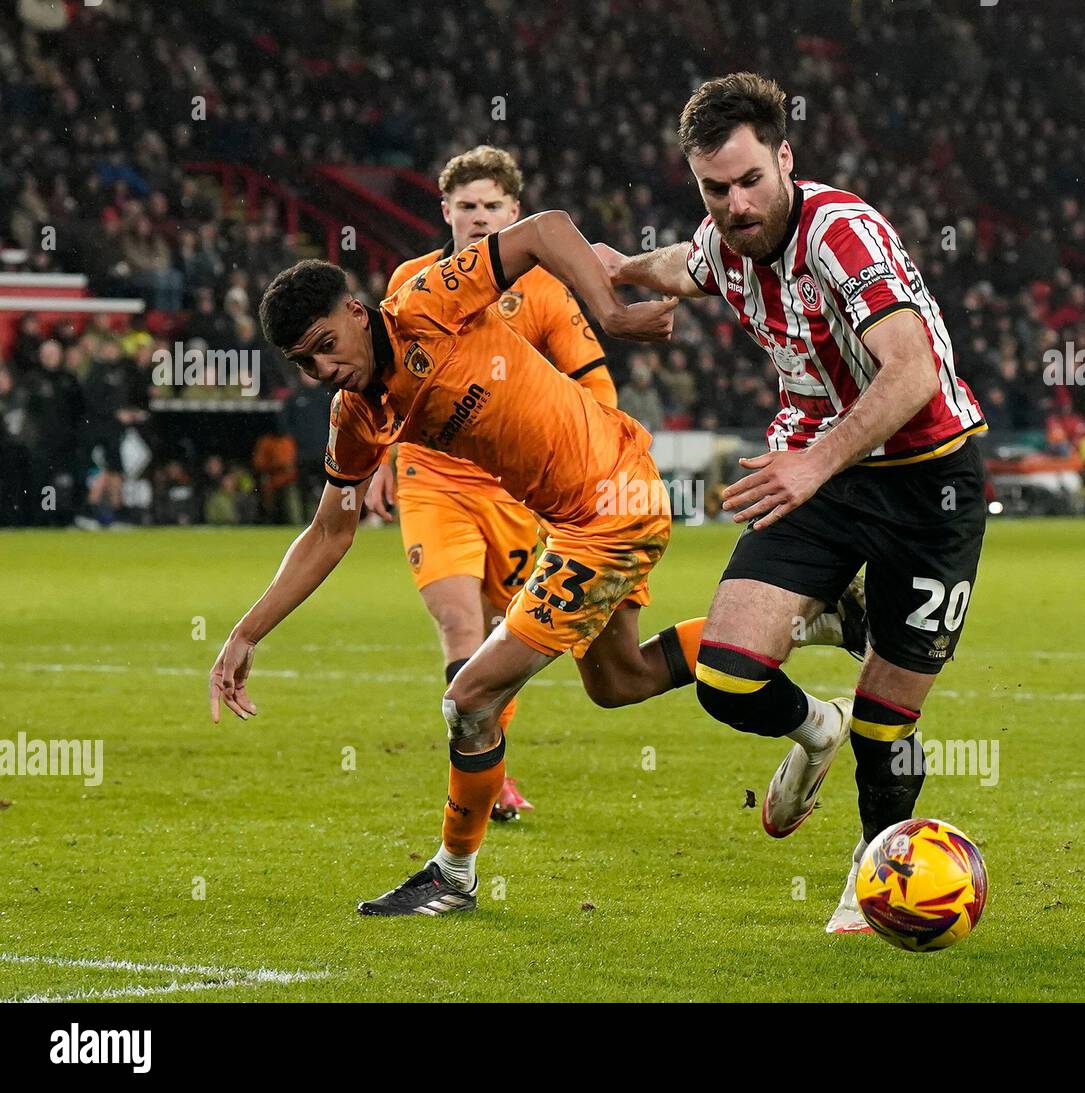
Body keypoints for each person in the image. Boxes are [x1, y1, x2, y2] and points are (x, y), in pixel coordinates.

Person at [210, 211, 705, 917]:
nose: (322, 369)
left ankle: (453, 873)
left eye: (324, 345)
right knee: (620, 680)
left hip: (611, 504)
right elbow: (328, 531)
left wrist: (613, 315)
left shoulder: (428, 302)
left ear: (356, 312)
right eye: (304, 362)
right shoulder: (356, 415)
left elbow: (545, 230)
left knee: (469, 696)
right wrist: (245, 632)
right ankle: (802, 621)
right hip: (575, 520)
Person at [596, 73, 987, 933]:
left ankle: (875, 868)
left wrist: (814, 461)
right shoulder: (722, 240)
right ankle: (816, 727)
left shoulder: (842, 236)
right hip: (822, 474)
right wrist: (620, 266)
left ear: (784, 158)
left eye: (749, 182)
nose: (736, 205)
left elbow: (914, 370)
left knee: (891, 722)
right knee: (728, 677)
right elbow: (683, 265)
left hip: (929, 478)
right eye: (713, 189)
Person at [365, 145, 621, 822]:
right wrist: (371, 465)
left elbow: (593, 380)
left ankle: (486, 760)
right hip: (431, 479)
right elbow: (380, 384)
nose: (479, 219)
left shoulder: (542, 291)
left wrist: (602, 456)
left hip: (515, 490)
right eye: (467, 207)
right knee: (458, 623)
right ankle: (486, 780)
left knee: (502, 644)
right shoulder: (412, 280)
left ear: (514, 211)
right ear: (446, 211)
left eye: (492, 208)